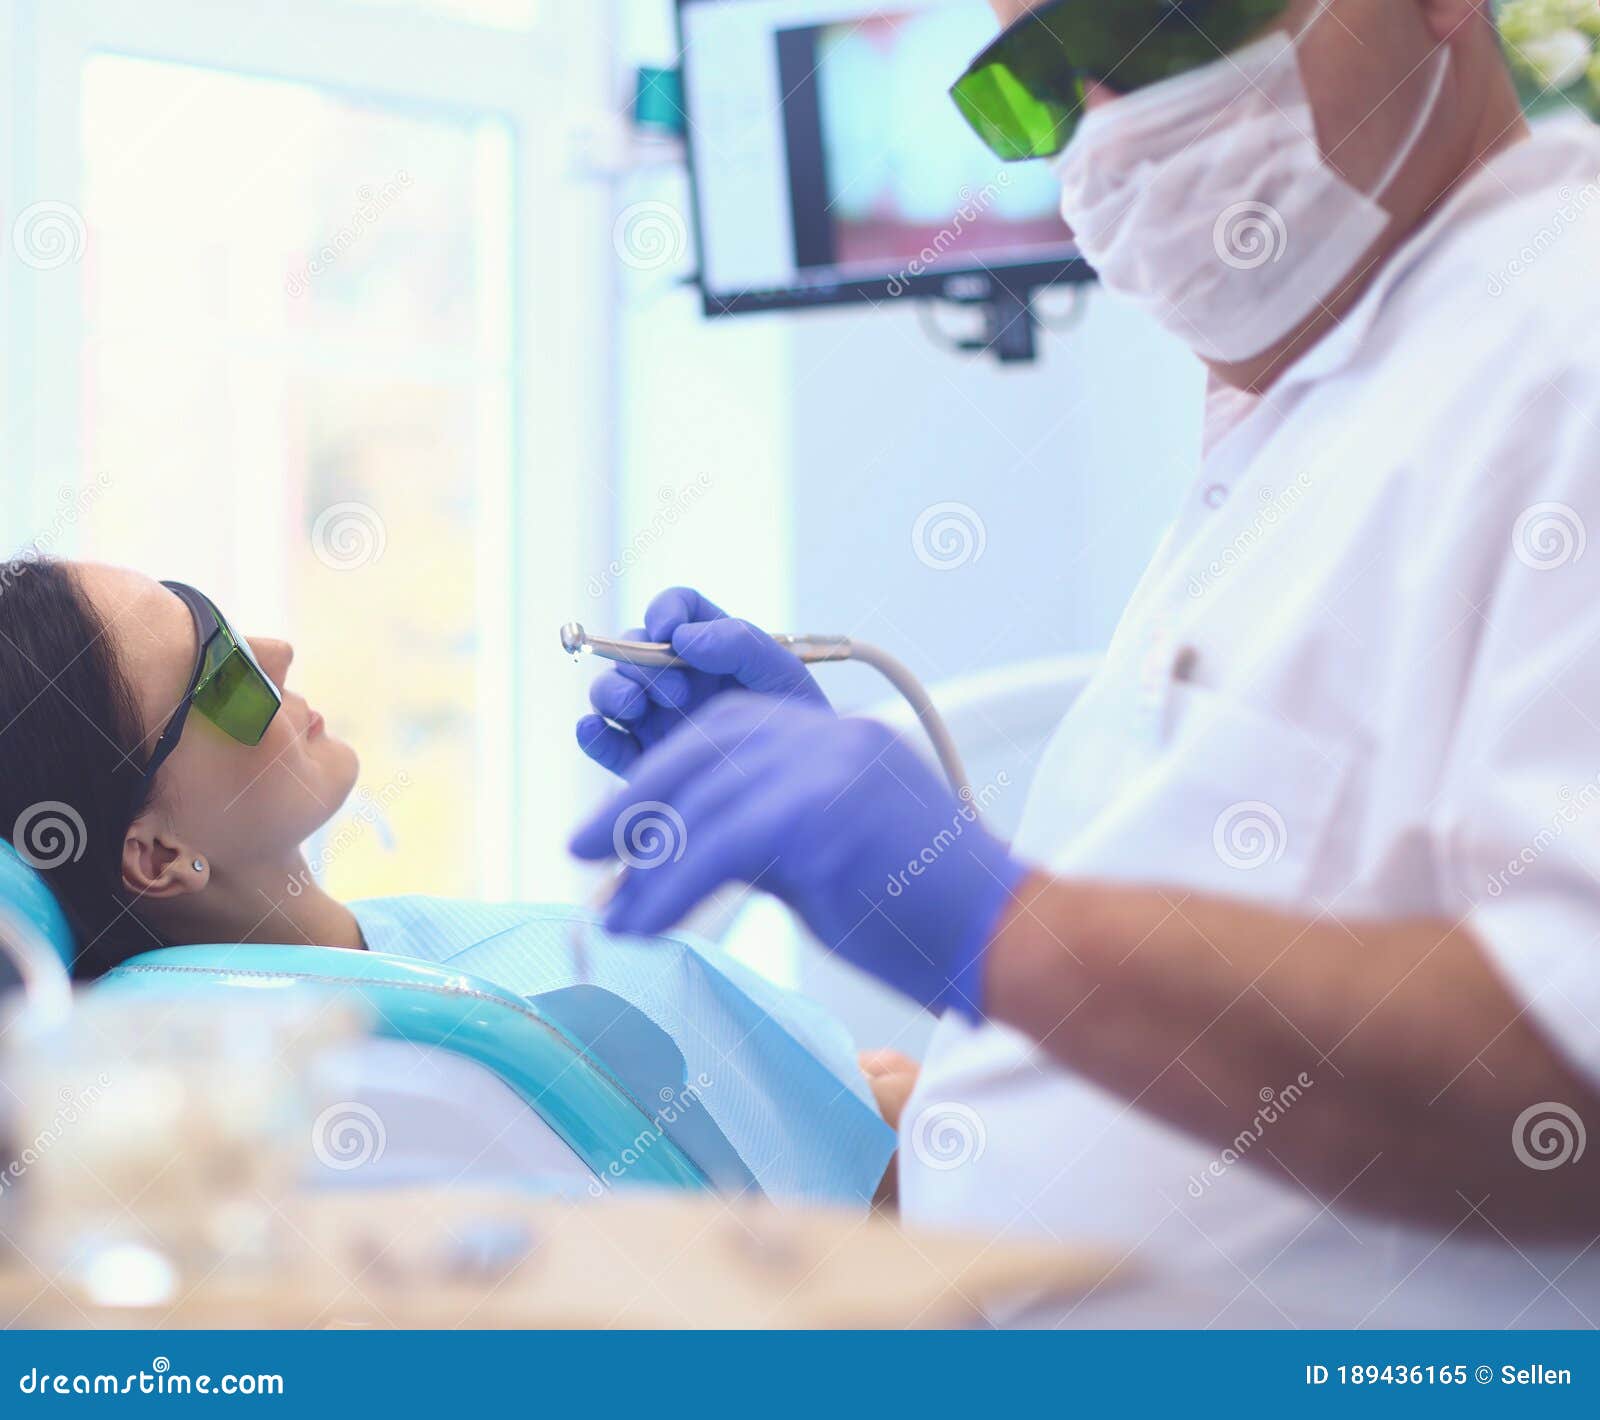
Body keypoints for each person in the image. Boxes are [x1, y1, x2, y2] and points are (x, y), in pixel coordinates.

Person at [573, 0, 1600, 1324]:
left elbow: (1568, 1091)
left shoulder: (1560, 348)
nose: (1115, 127)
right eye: (1044, 86)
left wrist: (1002, 926)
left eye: (1162, 31)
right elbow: (1266, 920)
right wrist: (925, 885)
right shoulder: (1322, 407)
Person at [0, 559, 896, 1206]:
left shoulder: (173, 1098)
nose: (275, 649)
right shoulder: (540, 1008)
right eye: (219, 668)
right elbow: (906, 1184)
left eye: (210, 610)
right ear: (156, 856)